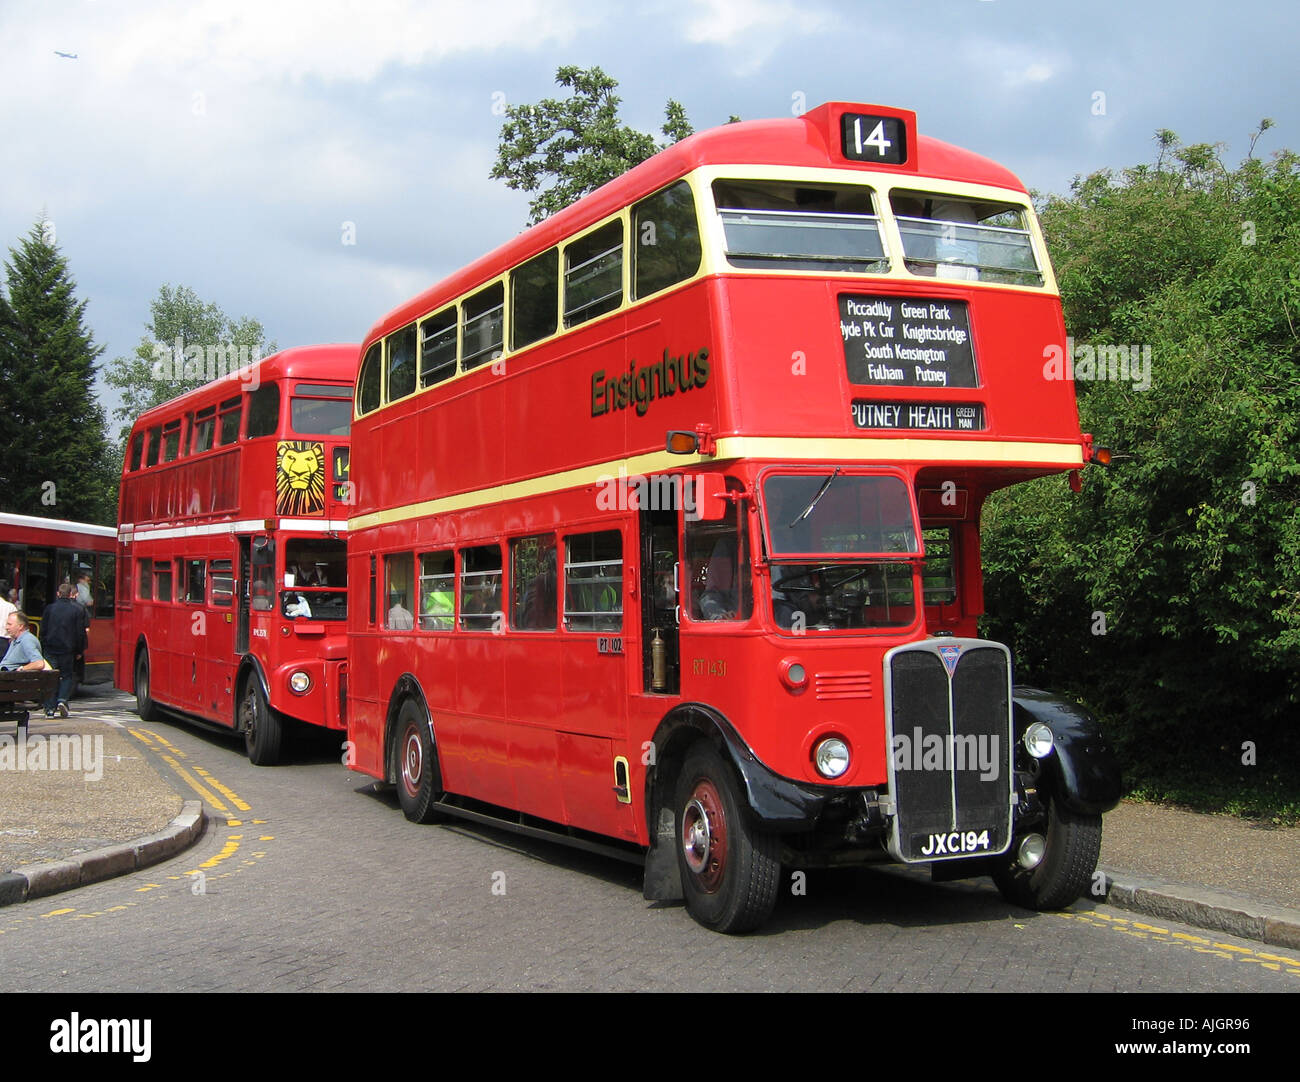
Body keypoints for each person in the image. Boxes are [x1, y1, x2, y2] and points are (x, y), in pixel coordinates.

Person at [40, 583, 86, 717]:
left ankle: (49, 708)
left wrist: (44, 644)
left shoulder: (49, 609)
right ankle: (62, 699)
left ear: (58, 594)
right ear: (70, 594)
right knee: (67, 676)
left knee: (50, 677)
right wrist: (79, 650)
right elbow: (80, 633)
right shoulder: (76, 611)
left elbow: (43, 629)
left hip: (50, 648)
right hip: (67, 649)